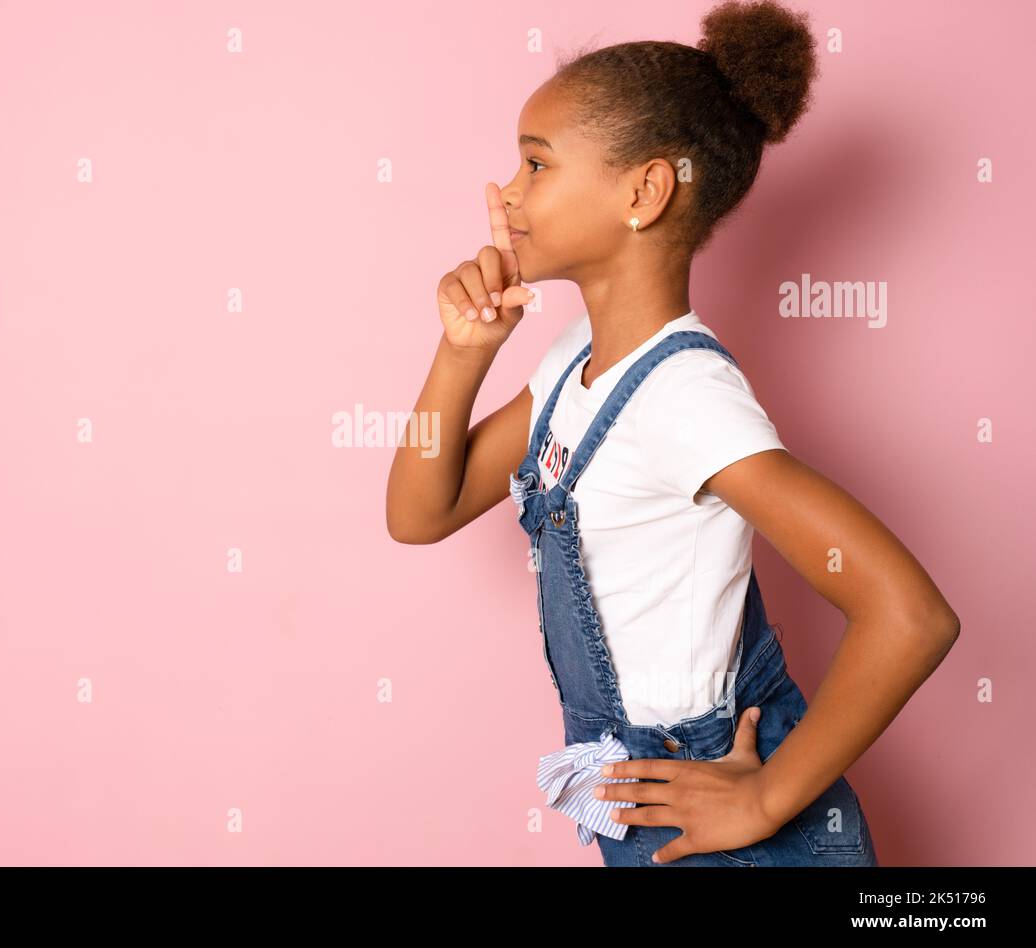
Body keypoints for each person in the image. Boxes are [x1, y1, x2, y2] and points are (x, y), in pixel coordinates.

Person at [385, 0, 960, 866]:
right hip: (635, 800)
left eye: (536, 164)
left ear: (644, 192)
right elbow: (420, 512)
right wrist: (464, 350)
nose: (507, 193)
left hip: (720, 806)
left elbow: (909, 614)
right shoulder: (573, 362)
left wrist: (768, 796)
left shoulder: (685, 396)